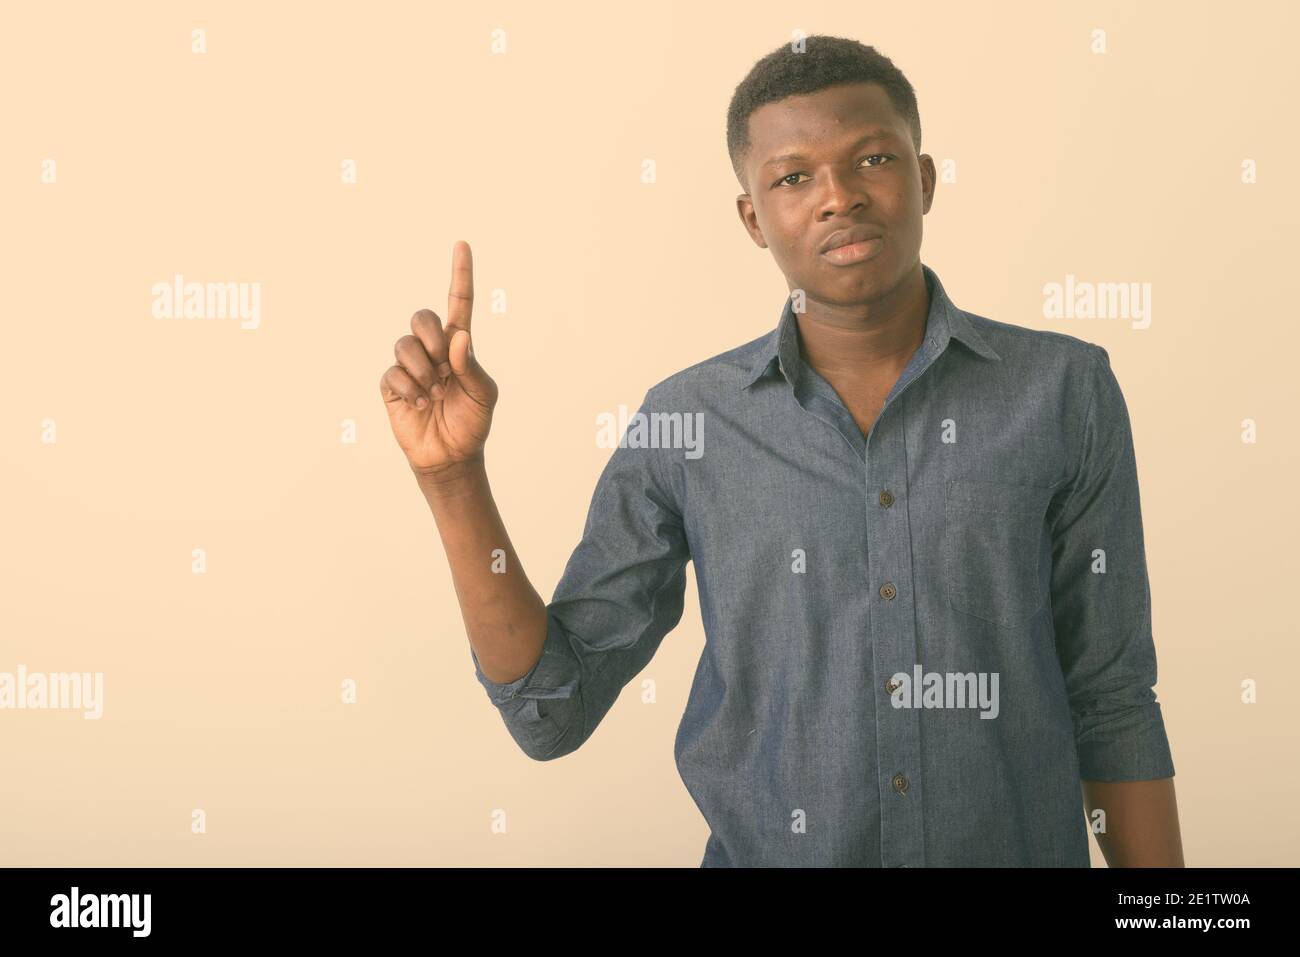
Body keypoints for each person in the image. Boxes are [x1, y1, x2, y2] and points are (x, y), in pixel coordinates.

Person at [379, 34, 1183, 867]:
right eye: (793, 177)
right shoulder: (687, 423)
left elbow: (1112, 700)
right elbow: (552, 710)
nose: (838, 197)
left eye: (872, 158)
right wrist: (453, 478)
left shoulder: (1063, 393)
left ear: (926, 179)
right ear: (753, 219)